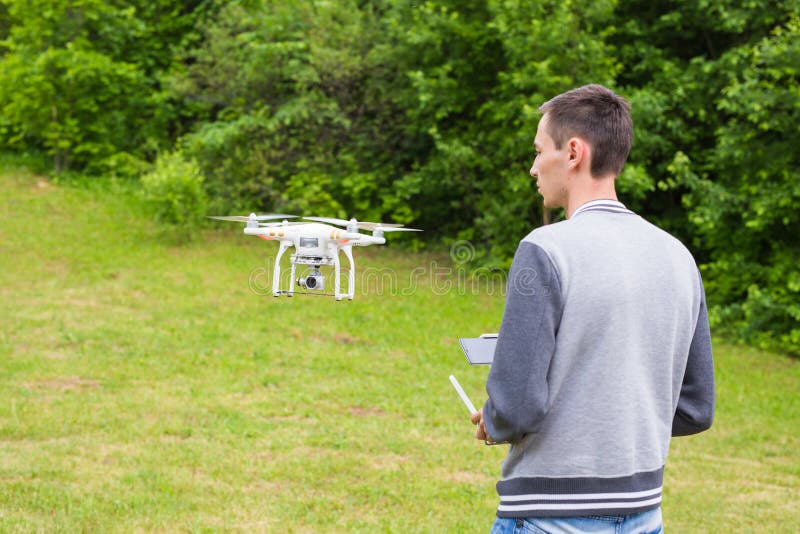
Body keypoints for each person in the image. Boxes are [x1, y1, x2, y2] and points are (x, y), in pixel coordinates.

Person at [470, 84, 715, 534]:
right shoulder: (679, 256)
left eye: (539, 150)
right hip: (644, 515)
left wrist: (496, 418)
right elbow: (696, 407)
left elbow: (518, 405)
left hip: (548, 517)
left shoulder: (544, 249)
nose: (532, 168)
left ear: (574, 153)